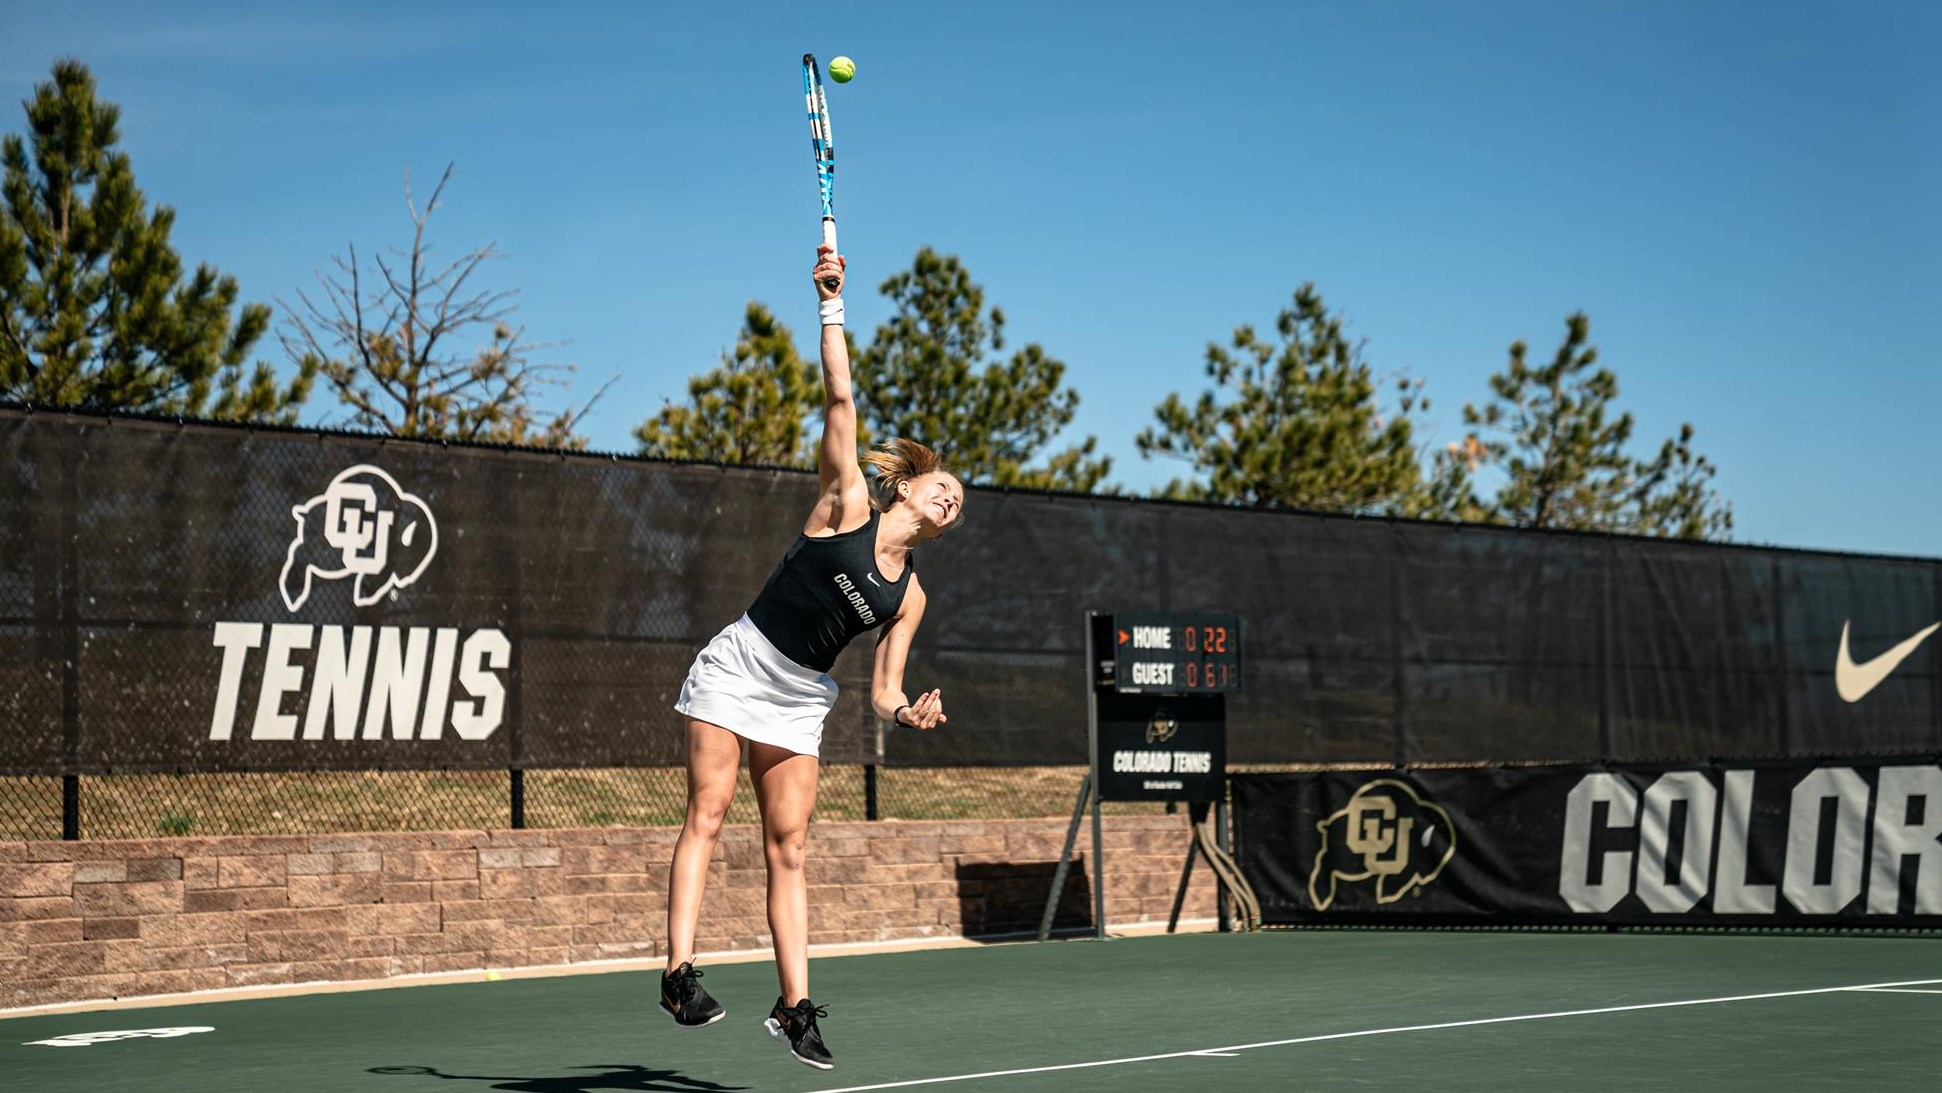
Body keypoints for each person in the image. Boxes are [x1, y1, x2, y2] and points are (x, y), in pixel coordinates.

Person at [657, 243, 964, 1070]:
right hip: (741, 661)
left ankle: (794, 1009)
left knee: (788, 848)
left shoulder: (911, 595)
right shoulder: (848, 502)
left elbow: (883, 691)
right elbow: (839, 392)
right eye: (944, 485)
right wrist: (831, 300)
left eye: (958, 505)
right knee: (709, 814)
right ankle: (679, 973)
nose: (950, 497)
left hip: (799, 697)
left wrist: (909, 711)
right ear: (909, 489)